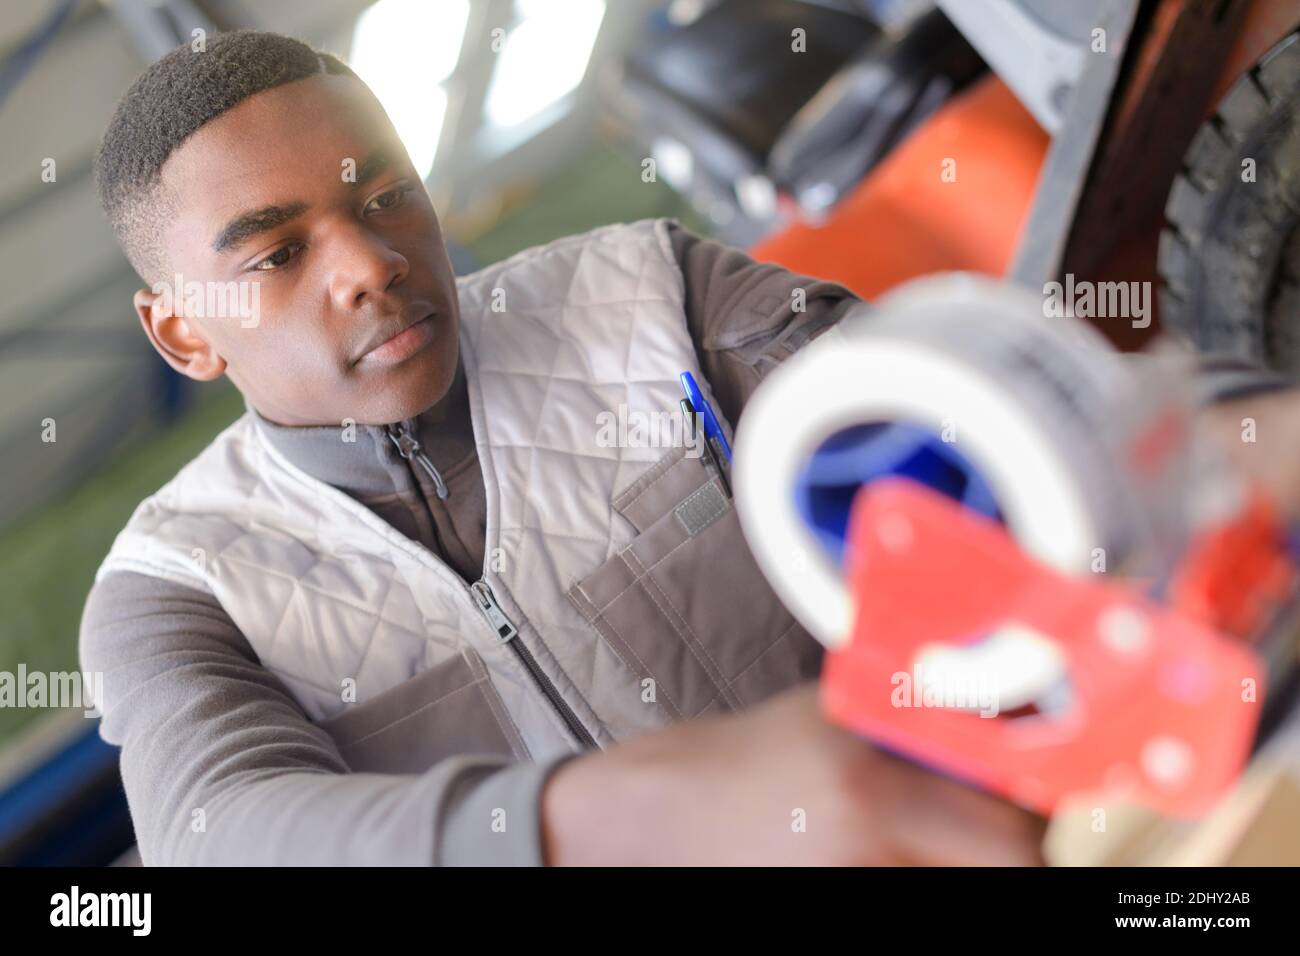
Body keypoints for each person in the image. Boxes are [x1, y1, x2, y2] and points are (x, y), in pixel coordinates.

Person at [79, 30, 1287, 866]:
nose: (369, 263)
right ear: (181, 330)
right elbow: (225, 833)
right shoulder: (181, 587)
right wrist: (633, 812)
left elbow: (965, 408)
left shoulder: (646, 296)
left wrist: (1216, 429)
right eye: (278, 253)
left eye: (386, 196)